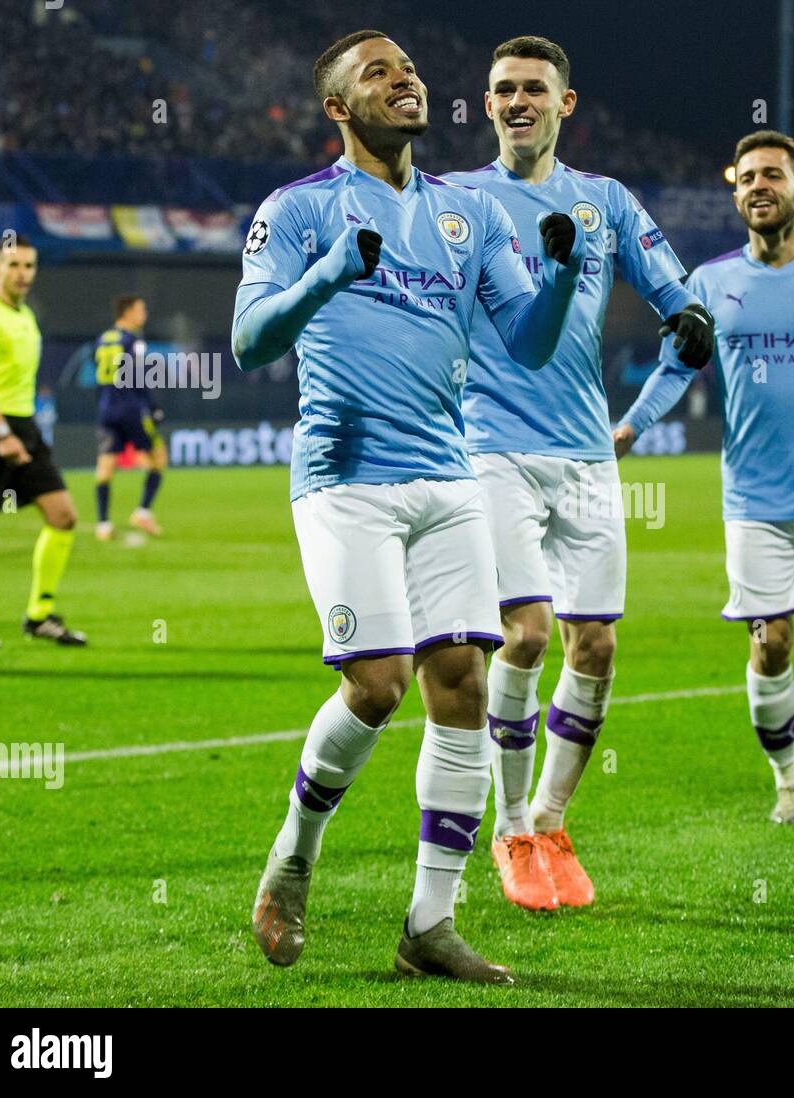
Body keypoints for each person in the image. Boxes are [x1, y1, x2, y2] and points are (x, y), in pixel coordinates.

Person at [233, 30, 586, 982]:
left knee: (464, 684)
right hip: (346, 479)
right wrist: (329, 275)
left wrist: (556, 276)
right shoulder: (298, 211)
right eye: (378, 74)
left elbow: (531, 339)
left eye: (411, 69)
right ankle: (293, 858)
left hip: (447, 478)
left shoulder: (466, 213)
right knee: (378, 684)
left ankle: (430, 925)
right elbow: (248, 341)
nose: (407, 80)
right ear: (340, 108)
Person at [440, 35, 713, 911]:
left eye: (534, 89)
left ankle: (553, 819)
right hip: (492, 448)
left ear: (566, 105)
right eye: (502, 90)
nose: (517, 101)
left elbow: (679, 298)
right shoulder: (456, 202)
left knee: (594, 645)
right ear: (486, 106)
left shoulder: (607, 202)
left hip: (587, 452)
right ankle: (511, 826)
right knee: (522, 634)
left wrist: (690, 320)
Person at [615, 131, 794, 824]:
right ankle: (791, 781)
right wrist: (630, 425)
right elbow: (676, 367)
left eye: (772, 175)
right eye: (746, 177)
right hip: (753, 501)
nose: (757, 186)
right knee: (770, 642)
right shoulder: (711, 285)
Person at [0, 236, 87, 649]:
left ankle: (39, 616)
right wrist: (1, 435)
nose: (23, 273)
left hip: (25, 425)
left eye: (30, 266)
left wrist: (21, 433)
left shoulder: (26, 316)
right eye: (14, 265)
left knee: (63, 515)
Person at [93, 295, 167, 539]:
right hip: (130, 409)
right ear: (126, 312)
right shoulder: (133, 341)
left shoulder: (102, 339)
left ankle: (103, 525)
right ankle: (143, 512)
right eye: (140, 310)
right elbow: (139, 377)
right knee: (159, 456)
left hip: (106, 408)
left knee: (105, 466)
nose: (144, 315)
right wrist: (152, 406)